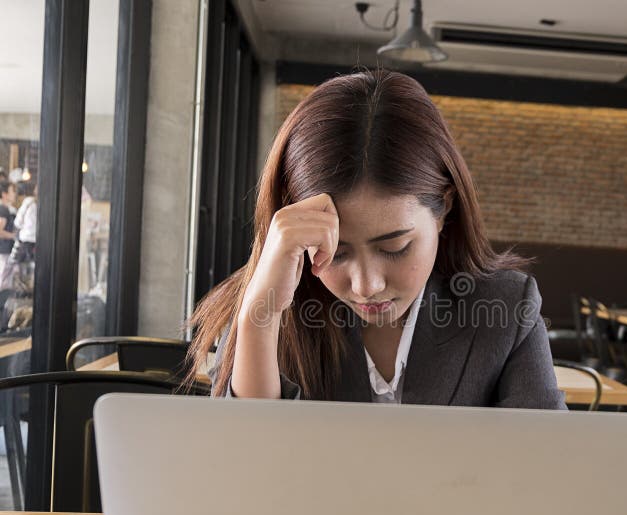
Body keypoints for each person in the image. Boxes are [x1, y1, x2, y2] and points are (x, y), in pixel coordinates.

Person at [189, 69, 565, 410]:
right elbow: (247, 463)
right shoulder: (266, 304)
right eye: (336, 253)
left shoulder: (507, 307)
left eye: (395, 248)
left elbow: (549, 462)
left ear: (443, 209)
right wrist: (261, 316)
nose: (367, 286)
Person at [0, 182, 18, 275]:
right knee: (3, 282)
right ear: (4, 194)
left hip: (7, 251)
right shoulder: (3, 209)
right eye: (12, 191)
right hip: (4, 252)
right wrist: (14, 236)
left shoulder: (9, 209)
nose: (15, 194)